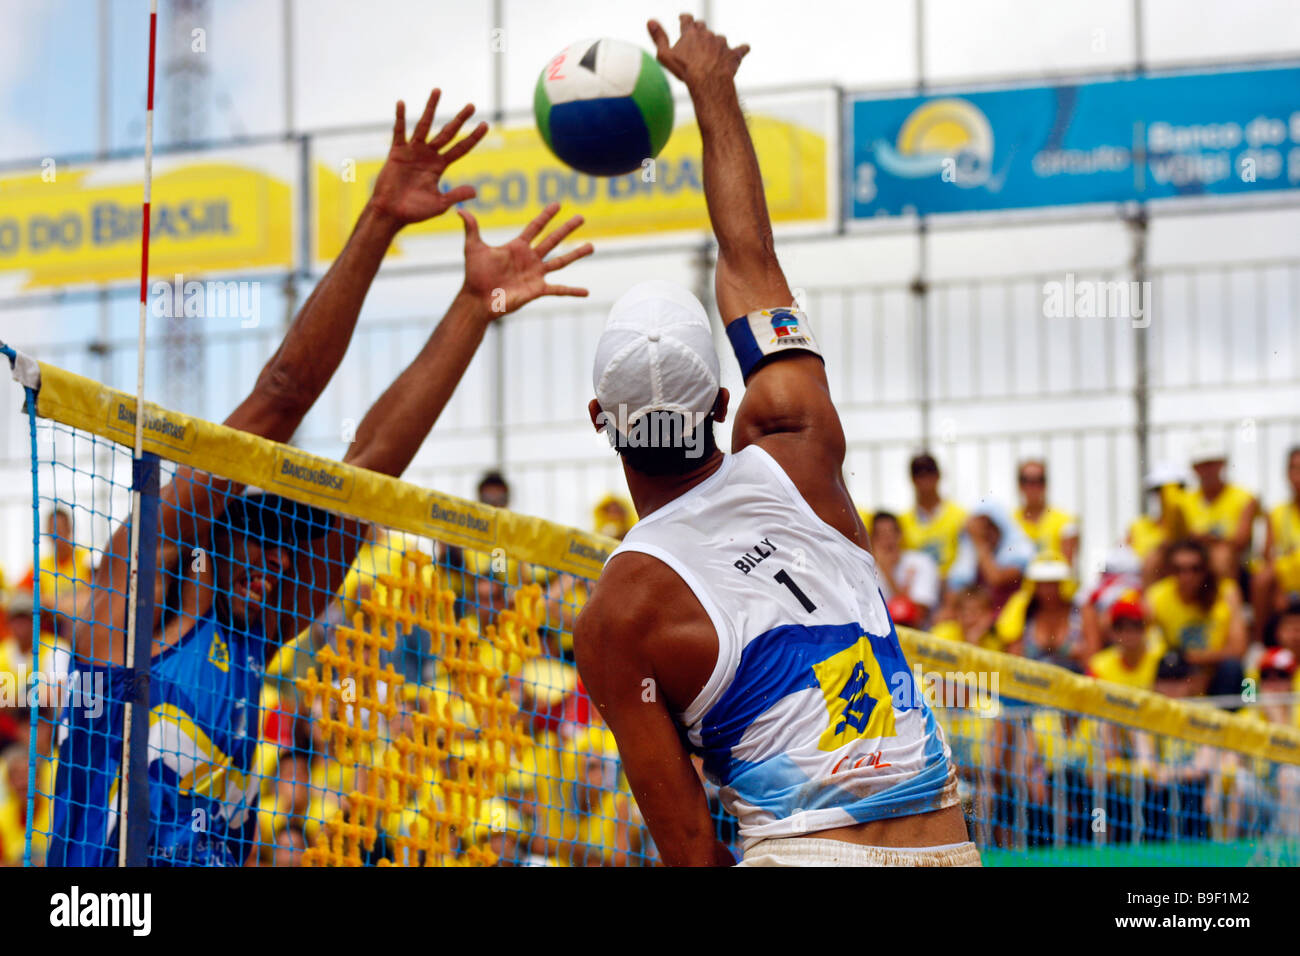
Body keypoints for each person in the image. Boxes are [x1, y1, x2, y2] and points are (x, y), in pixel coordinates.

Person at [46, 88, 594, 867]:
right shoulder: (130, 601)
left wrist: (475, 305)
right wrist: (378, 222)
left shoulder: (252, 636)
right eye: (263, 549)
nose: (277, 575)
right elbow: (280, 398)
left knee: (349, 493)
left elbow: (369, 469)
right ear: (210, 542)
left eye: (286, 559)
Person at [573, 15, 974, 868]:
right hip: (945, 842)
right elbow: (748, 253)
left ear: (600, 421)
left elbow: (690, 852)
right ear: (724, 402)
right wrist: (713, 91)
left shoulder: (623, 614)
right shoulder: (797, 439)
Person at [1143, 538, 1247, 700]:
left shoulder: (1227, 592)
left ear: (1206, 570)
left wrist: (1193, 658)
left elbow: (1239, 649)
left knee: (1240, 674)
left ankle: (1239, 717)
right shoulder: (1157, 596)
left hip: (1216, 672)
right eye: (1179, 569)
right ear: (1170, 571)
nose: (1187, 576)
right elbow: (1147, 647)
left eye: (1195, 569)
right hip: (1177, 673)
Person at [1179, 436, 1259, 582]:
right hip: (1194, 560)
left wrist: (1205, 539)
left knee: (1221, 556)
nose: (1207, 470)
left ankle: (1225, 603)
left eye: (1211, 464)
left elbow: (1241, 542)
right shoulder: (1184, 500)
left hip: (1235, 564)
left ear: (1222, 464)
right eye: (1202, 465)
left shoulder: (1244, 497)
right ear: (1194, 468)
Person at [1253, 447, 1300, 640]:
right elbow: (1268, 556)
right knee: (1263, 578)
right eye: (1294, 468)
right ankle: (1260, 642)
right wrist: (1279, 590)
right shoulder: (1277, 513)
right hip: (1288, 582)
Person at [900, 452, 967, 578]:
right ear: (912, 479)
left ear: (938, 475)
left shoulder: (960, 516)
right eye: (919, 474)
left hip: (954, 588)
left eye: (929, 472)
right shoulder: (902, 522)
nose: (925, 479)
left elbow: (966, 560)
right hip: (919, 591)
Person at [870, 510, 940, 628]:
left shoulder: (921, 562)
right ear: (872, 539)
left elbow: (917, 616)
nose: (887, 541)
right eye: (881, 535)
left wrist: (888, 573)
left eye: (891, 533)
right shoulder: (867, 569)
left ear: (900, 535)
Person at [1013, 459, 1078, 568]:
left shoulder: (1065, 521)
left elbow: (1066, 569)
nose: (1033, 486)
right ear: (1019, 485)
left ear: (1046, 484)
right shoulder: (1009, 521)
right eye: (1026, 480)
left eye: (1039, 480)